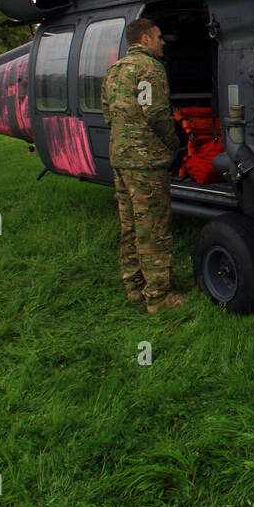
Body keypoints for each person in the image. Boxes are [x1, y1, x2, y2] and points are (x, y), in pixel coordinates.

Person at [101, 18, 186, 313]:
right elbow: (156, 113)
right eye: (160, 36)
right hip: (145, 162)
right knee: (153, 228)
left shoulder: (115, 70)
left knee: (130, 225)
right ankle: (159, 297)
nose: (163, 42)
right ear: (146, 38)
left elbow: (108, 112)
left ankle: (134, 287)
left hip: (120, 158)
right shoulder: (148, 68)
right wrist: (174, 144)